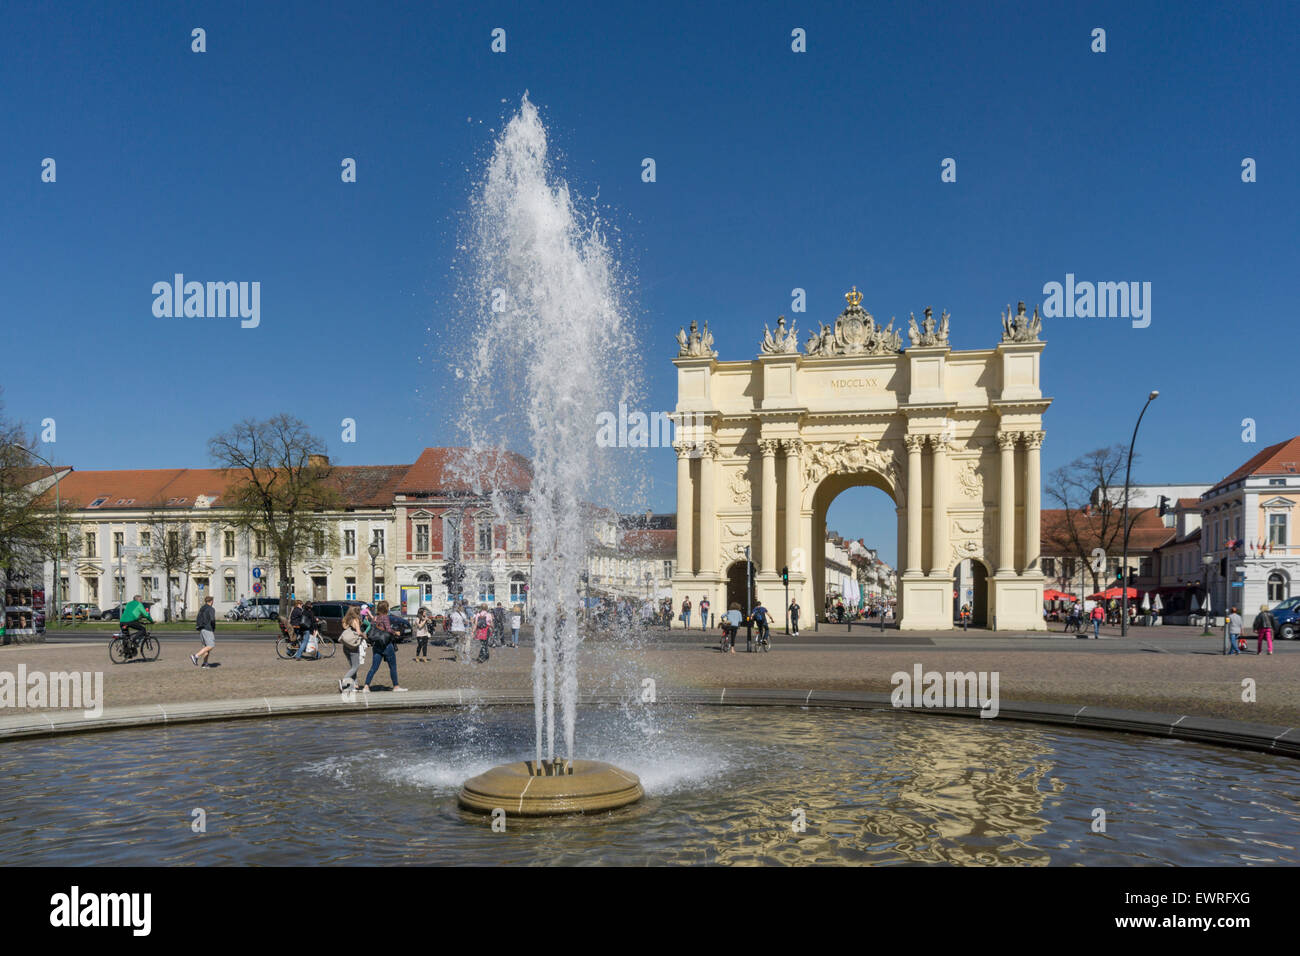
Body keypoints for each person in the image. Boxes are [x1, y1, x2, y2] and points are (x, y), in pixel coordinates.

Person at [360, 601, 406, 691]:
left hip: (377, 645)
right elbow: (388, 629)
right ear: (385, 609)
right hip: (386, 645)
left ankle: (366, 686)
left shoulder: (375, 618)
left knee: (374, 667)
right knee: (392, 666)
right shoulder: (385, 617)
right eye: (388, 607)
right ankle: (396, 686)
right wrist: (395, 632)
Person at [338, 608, 366, 691]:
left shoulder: (346, 620)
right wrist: (364, 636)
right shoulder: (355, 620)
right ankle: (344, 681)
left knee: (353, 666)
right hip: (353, 646)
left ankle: (354, 686)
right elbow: (358, 632)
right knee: (355, 666)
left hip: (346, 645)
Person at [191, 595, 217, 667]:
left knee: (205, 647)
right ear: (211, 601)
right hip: (208, 629)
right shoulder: (211, 609)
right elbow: (212, 619)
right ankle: (195, 656)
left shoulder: (202, 608)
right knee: (211, 645)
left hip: (201, 629)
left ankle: (205, 663)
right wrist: (213, 628)